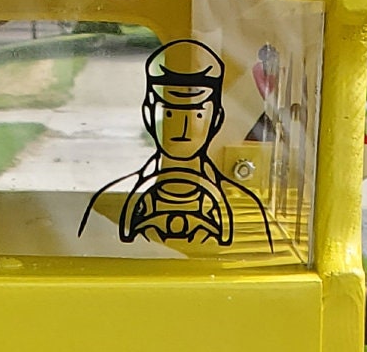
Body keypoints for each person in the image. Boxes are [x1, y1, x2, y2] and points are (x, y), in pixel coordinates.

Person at [81, 39, 274, 252]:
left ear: (216, 117)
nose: (183, 129)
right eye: (171, 112)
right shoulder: (101, 209)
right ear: (147, 113)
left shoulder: (252, 214)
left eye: (197, 113)